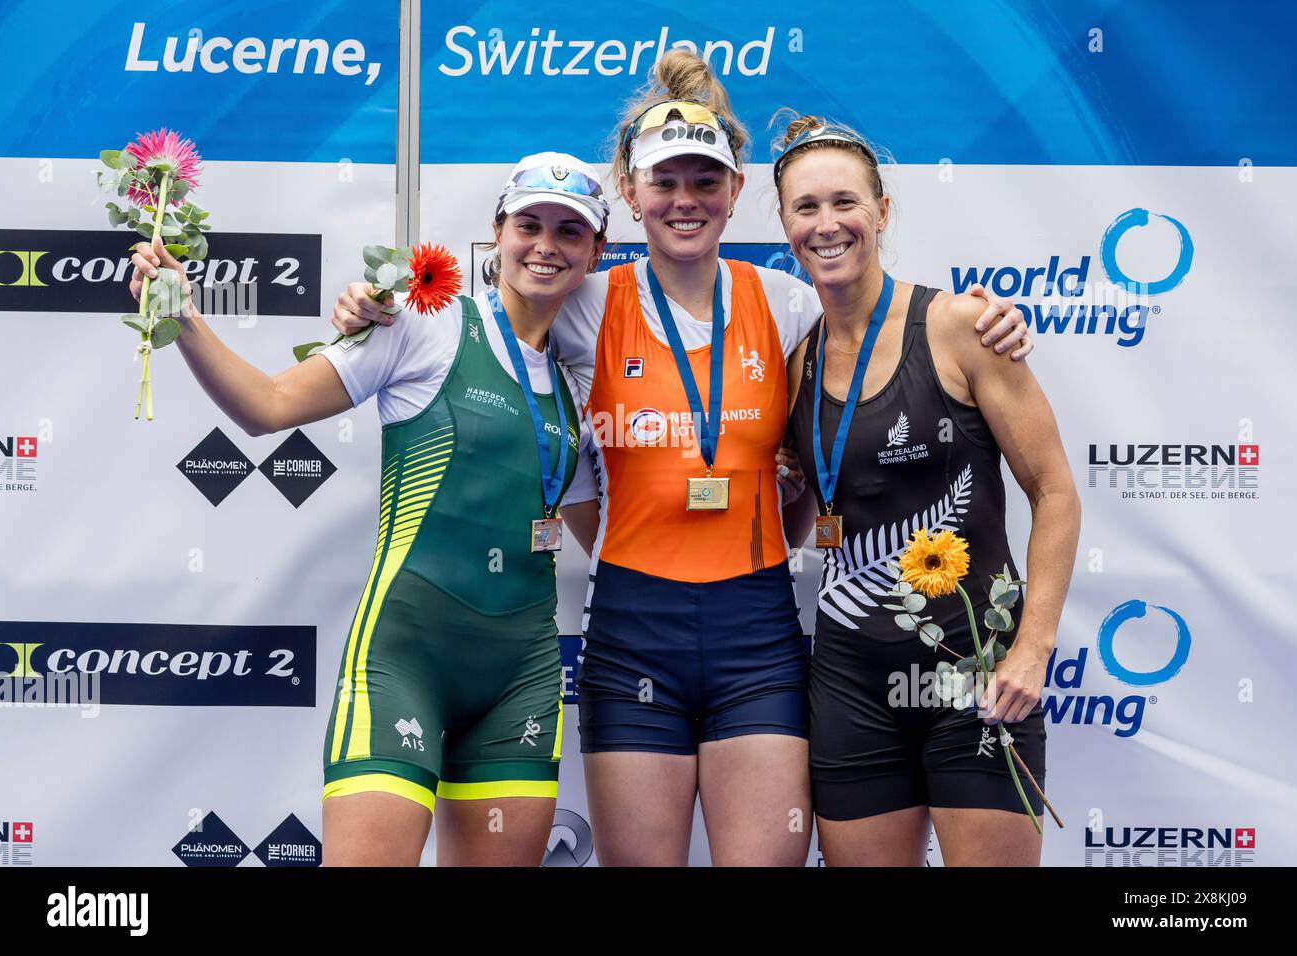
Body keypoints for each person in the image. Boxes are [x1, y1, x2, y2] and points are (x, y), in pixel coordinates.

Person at [330, 51, 1032, 866]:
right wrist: (371, 306)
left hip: (757, 632)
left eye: (705, 181)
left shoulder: (789, 303)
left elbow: (876, 324)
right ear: (630, 194)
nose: (684, 200)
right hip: (631, 628)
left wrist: (986, 315)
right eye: (664, 182)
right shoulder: (584, 301)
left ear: (736, 191)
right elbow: (487, 320)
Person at [129, 152, 610, 866]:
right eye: (529, 224)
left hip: (523, 677)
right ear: (498, 232)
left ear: (596, 252)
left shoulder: (578, 385)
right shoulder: (424, 321)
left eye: (570, 231)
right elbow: (269, 406)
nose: (546, 245)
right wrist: (182, 315)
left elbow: (610, 541)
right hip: (403, 661)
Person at [776, 114, 1081, 866]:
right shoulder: (797, 363)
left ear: (882, 212)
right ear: (785, 225)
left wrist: (1033, 648)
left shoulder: (962, 326)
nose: (827, 224)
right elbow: (802, 522)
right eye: (806, 207)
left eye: (845, 202)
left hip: (978, 678)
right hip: (850, 686)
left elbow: (1054, 491)